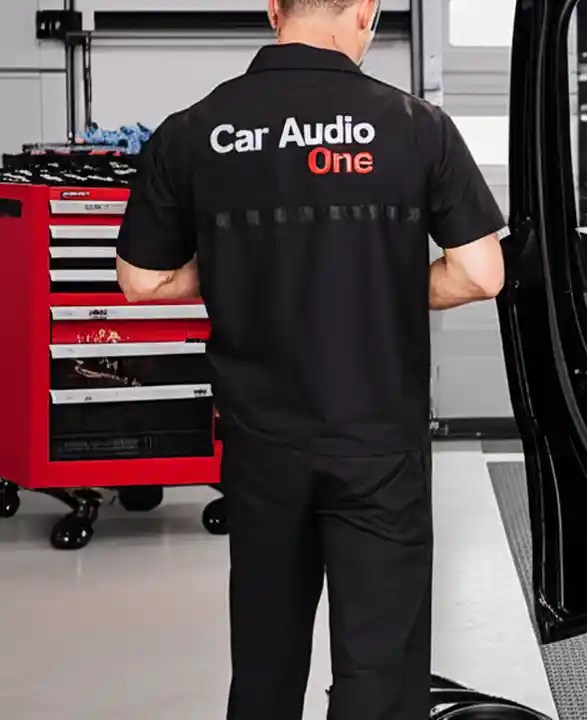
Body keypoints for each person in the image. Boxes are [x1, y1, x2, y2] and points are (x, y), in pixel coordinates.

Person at [113, 0, 507, 718]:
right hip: (378, 445)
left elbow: (140, 280)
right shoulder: (417, 127)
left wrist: (239, 264)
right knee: (379, 670)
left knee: (265, 661)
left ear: (273, 9)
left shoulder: (194, 130)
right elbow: (482, 272)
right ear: (366, 10)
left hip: (262, 444)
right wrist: (384, 278)